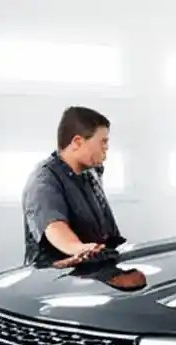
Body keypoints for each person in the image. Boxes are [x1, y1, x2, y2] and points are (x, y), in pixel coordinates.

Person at [22, 106, 125, 268]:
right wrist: (80, 248)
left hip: (94, 273)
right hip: (57, 281)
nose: (107, 148)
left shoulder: (91, 175)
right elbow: (54, 227)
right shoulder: (44, 181)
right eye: (103, 142)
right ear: (77, 142)